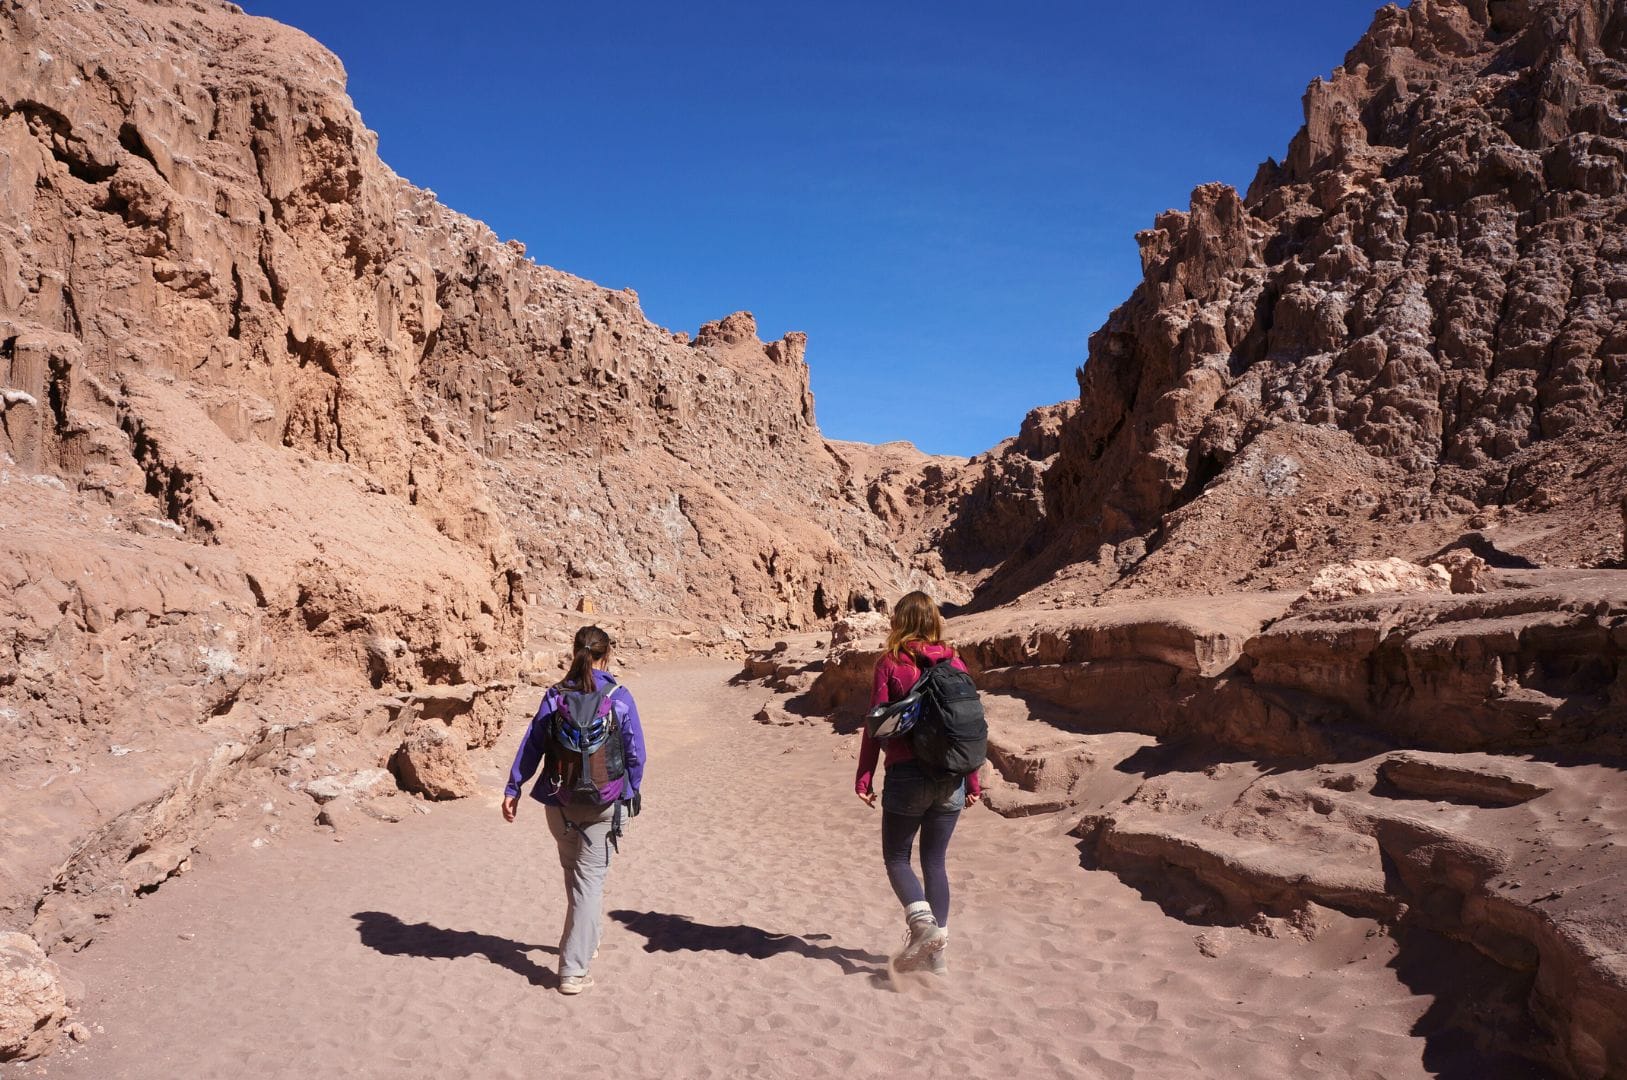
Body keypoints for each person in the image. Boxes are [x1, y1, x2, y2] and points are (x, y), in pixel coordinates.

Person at [503, 625, 645, 996]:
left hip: (560, 802)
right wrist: (632, 791)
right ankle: (573, 970)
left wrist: (514, 786)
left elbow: (532, 744)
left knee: (576, 877)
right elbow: (635, 754)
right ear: (607, 654)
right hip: (605, 802)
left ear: (574, 652)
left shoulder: (554, 696)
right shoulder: (619, 696)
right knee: (590, 882)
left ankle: (587, 940)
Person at [855, 591, 981, 975]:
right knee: (935, 862)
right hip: (952, 778)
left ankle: (922, 928)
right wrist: (973, 781)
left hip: (907, 774)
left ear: (900, 621)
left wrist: (864, 776)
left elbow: (875, 726)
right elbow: (968, 726)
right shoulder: (956, 663)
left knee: (896, 858)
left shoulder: (891, 663)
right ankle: (937, 962)